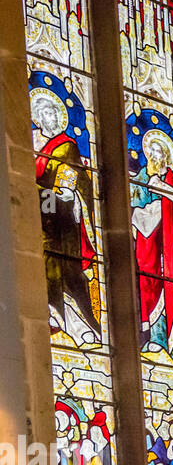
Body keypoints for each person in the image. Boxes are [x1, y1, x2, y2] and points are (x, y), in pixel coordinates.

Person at [32, 82, 101, 346]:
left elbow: (67, 188)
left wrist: (36, 190)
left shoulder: (65, 147)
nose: (47, 118)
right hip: (42, 222)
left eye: (51, 113)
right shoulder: (42, 148)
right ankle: (55, 320)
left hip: (63, 228)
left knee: (66, 274)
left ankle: (78, 327)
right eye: (42, 114)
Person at [131, 127, 173, 365]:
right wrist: (150, 210)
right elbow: (134, 208)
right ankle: (158, 339)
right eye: (150, 152)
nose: (154, 156)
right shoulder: (140, 178)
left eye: (159, 152)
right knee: (153, 292)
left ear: (167, 156)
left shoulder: (172, 181)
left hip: (172, 251)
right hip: (149, 248)